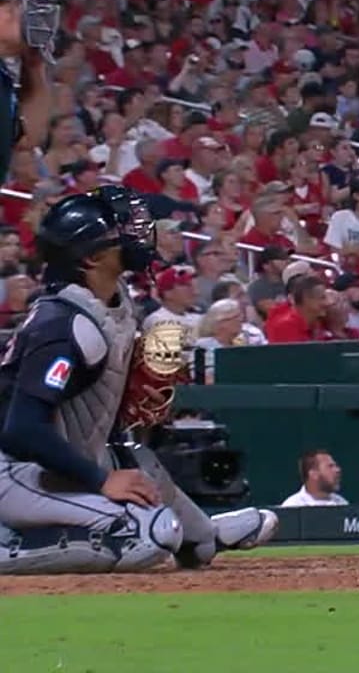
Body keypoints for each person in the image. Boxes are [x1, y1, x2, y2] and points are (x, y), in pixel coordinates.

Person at [0, 186, 277, 573]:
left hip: (60, 461)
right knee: (143, 534)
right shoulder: (61, 323)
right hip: (13, 471)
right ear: (92, 258)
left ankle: (201, 532)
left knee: (183, 529)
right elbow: (20, 430)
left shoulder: (114, 301)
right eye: (119, 234)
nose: (137, 236)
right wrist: (101, 480)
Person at [0, 0, 60, 182]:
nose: (38, 18)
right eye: (26, 6)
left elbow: (27, 139)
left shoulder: (4, 73)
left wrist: (35, 68)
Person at [279, 450, 348, 507]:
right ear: (313, 473)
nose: (337, 470)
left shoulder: (342, 503)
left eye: (335, 466)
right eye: (330, 466)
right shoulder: (293, 506)